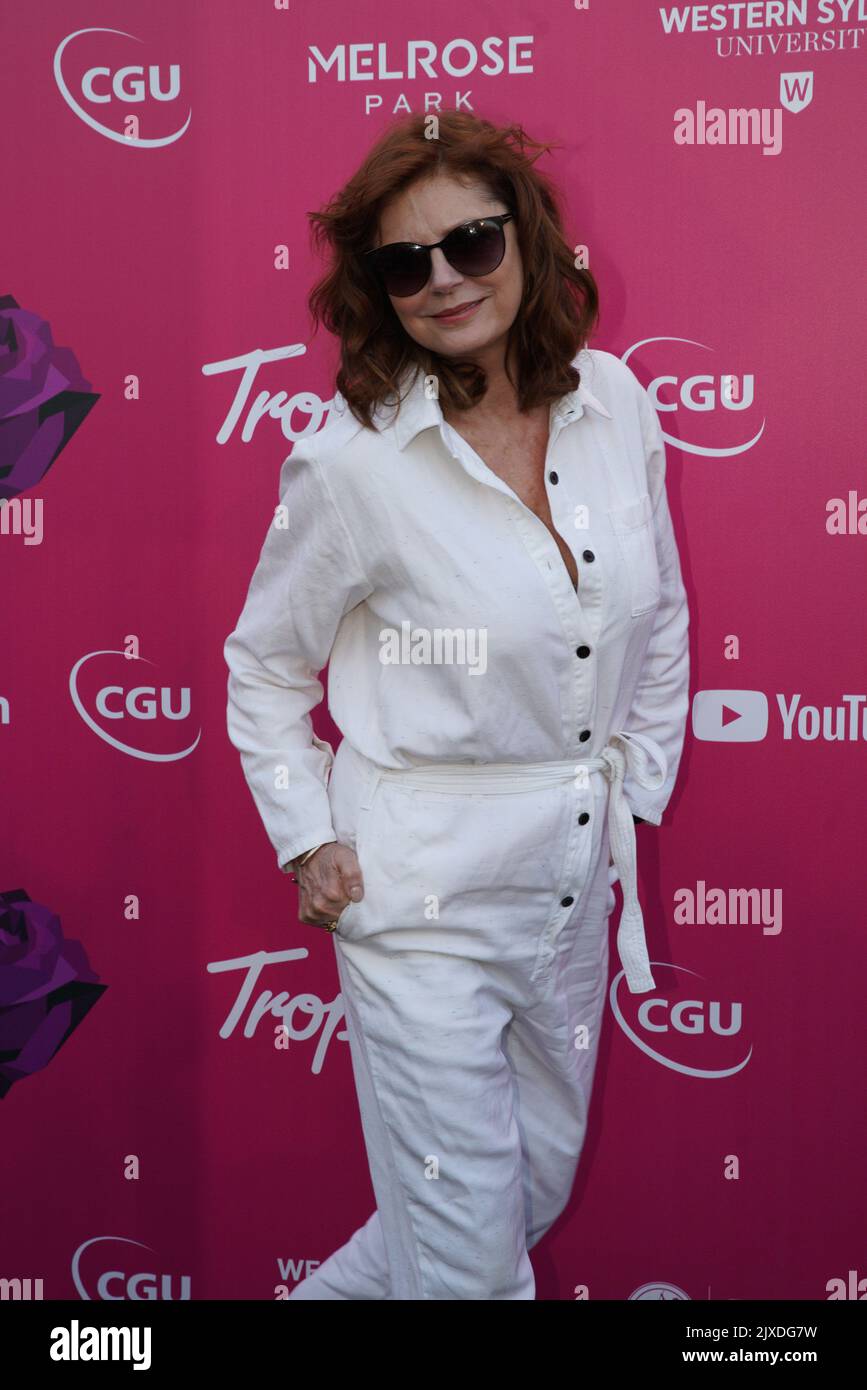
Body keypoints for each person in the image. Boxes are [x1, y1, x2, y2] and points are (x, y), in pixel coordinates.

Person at [223, 110, 690, 1300]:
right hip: (418, 898)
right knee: (472, 1263)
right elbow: (265, 663)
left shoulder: (618, 402)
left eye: (471, 243)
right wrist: (305, 832)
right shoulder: (353, 465)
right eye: (404, 262)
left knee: (507, 1202)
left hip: (572, 884)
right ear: (379, 290)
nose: (442, 281)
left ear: (527, 243)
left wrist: (634, 784)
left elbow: (661, 612)